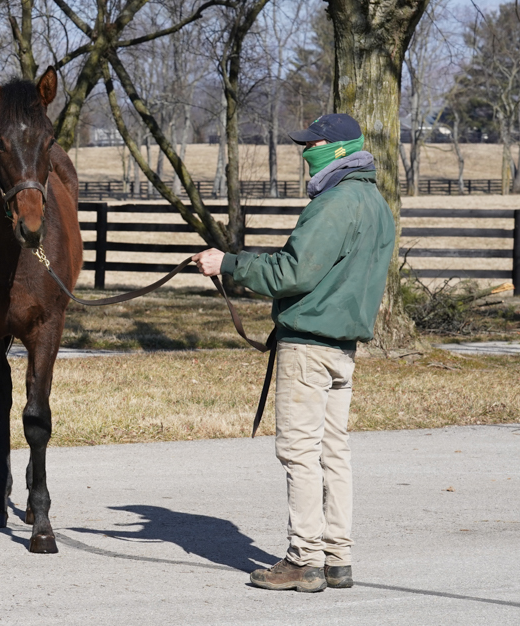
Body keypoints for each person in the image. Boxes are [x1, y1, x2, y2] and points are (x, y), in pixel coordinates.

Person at [193, 113, 395, 593]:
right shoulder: (376, 204)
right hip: (342, 347)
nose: (306, 151)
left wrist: (229, 263)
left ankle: (304, 558)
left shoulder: (335, 203)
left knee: (300, 452)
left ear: (339, 149)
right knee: (333, 452)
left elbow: (292, 273)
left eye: (313, 143)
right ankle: (338, 557)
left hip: (308, 347)